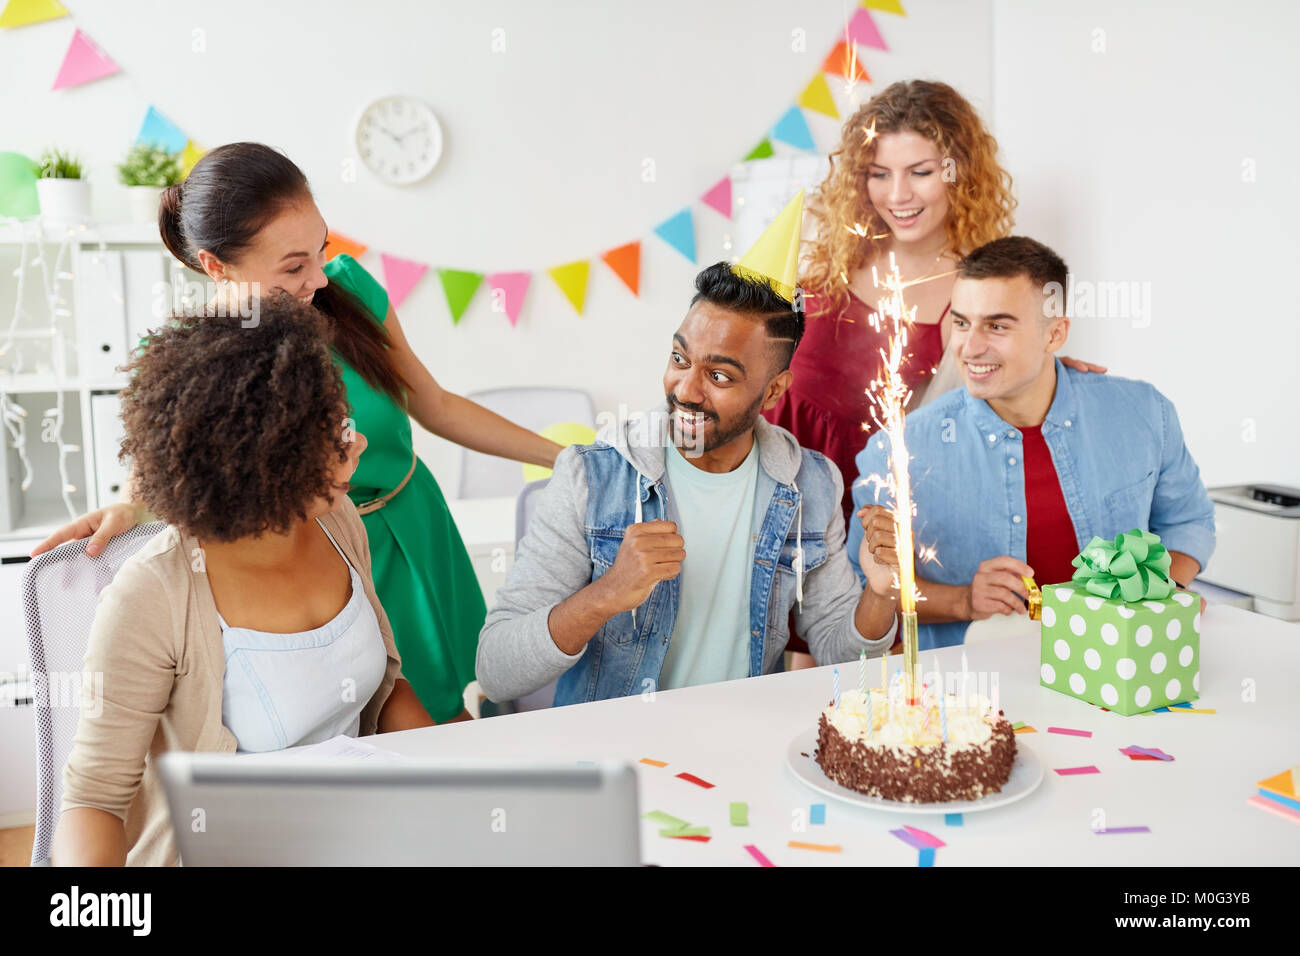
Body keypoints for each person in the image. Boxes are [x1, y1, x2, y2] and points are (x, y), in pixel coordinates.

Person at [31, 142, 563, 724]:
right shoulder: (194, 362)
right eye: (292, 266)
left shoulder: (349, 294)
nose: (318, 278)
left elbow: (434, 405)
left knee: (452, 714)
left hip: (416, 527)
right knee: (367, 728)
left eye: (321, 250)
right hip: (326, 558)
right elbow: (165, 474)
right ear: (216, 265)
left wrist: (567, 457)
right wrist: (128, 510)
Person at [52, 298, 436, 866]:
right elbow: (94, 801)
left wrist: (454, 786)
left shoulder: (338, 521)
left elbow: (387, 693)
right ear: (268, 459)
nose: (357, 446)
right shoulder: (154, 595)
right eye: (334, 434)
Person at [762, 80, 1103, 663]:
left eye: (920, 171)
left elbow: (992, 373)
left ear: (957, 172)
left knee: (855, 682)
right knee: (773, 670)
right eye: (877, 172)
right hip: (783, 492)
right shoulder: (831, 258)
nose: (898, 194)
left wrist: (1045, 369)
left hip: (869, 510)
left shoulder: (976, 289)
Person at [475, 256, 901, 707]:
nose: (685, 390)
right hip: (612, 754)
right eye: (680, 358)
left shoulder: (810, 484)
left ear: (774, 391)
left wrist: (879, 593)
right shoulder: (591, 476)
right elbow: (497, 671)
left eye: (718, 375)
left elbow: (844, 654)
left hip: (740, 745)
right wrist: (606, 595)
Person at [849, 237, 1215, 649]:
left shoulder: (1143, 413)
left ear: (1054, 334)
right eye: (962, 322)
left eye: (998, 326)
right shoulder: (899, 449)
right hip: (979, 691)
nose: (969, 348)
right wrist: (963, 600)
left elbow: (1188, 524)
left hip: (1121, 666)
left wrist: (1155, 595)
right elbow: (865, 588)